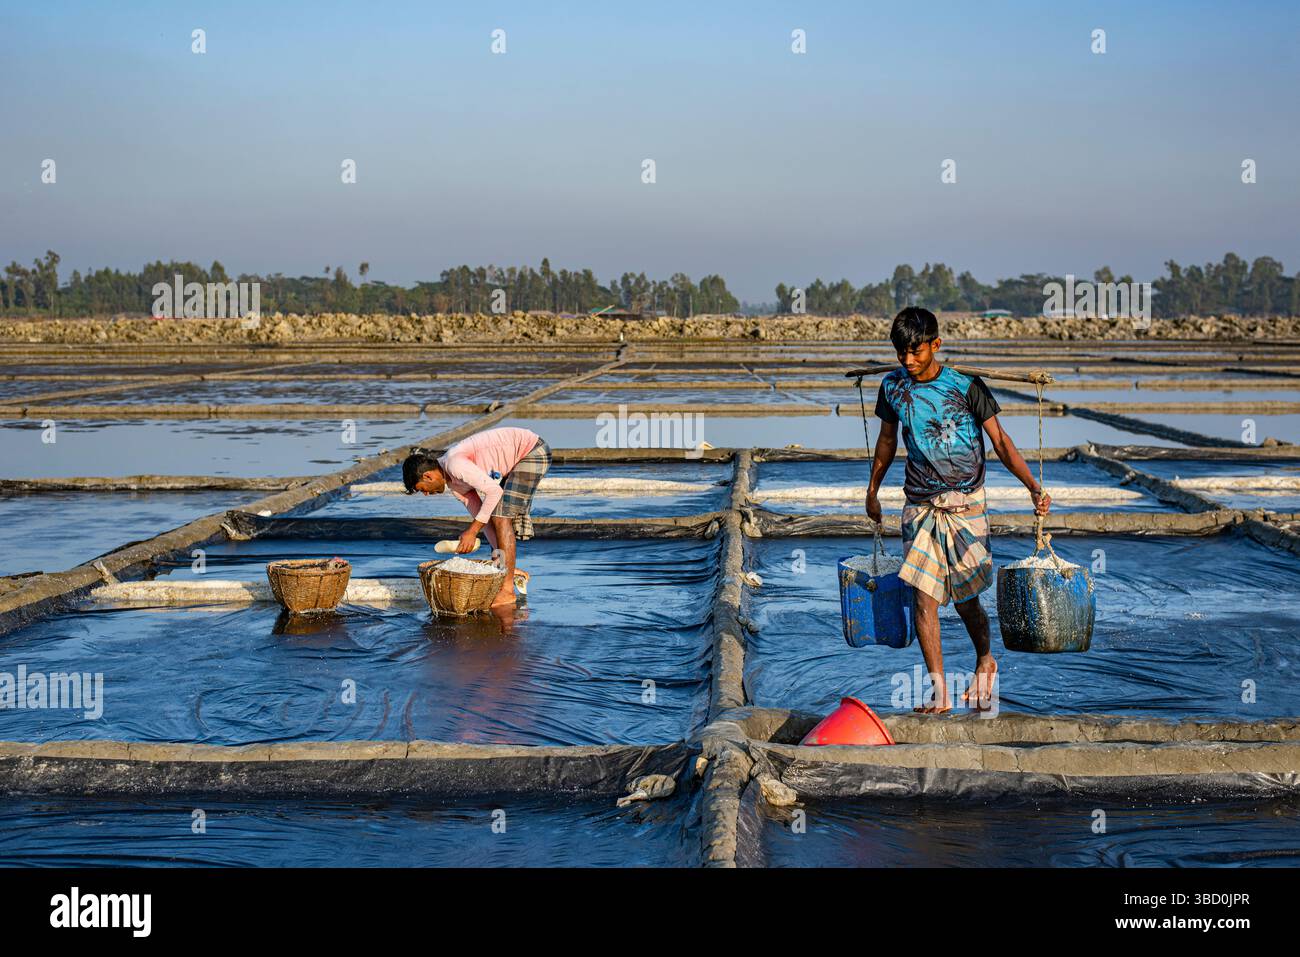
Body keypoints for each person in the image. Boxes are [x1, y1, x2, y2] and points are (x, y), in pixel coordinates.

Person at [865, 307, 1051, 713]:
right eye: (901, 353)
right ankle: (940, 692)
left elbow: (1000, 442)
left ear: (936, 345)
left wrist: (1033, 486)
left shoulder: (967, 386)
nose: (908, 361)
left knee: (967, 599)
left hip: (967, 505)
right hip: (920, 506)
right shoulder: (893, 388)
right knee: (923, 598)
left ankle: (985, 658)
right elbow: (885, 441)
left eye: (916, 352)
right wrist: (872, 490)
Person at [402, 426, 551, 607]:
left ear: (428, 476)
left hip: (531, 450)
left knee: (501, 516)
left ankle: (507, 591)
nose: (425, 494)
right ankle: (508, 576)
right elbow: (486, 522)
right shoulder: (456, 487)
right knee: (497, 516)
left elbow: (494, 492)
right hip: (518, 458)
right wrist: (503, 564)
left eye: (422, 489)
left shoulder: (454, 464)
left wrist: (471, 531)